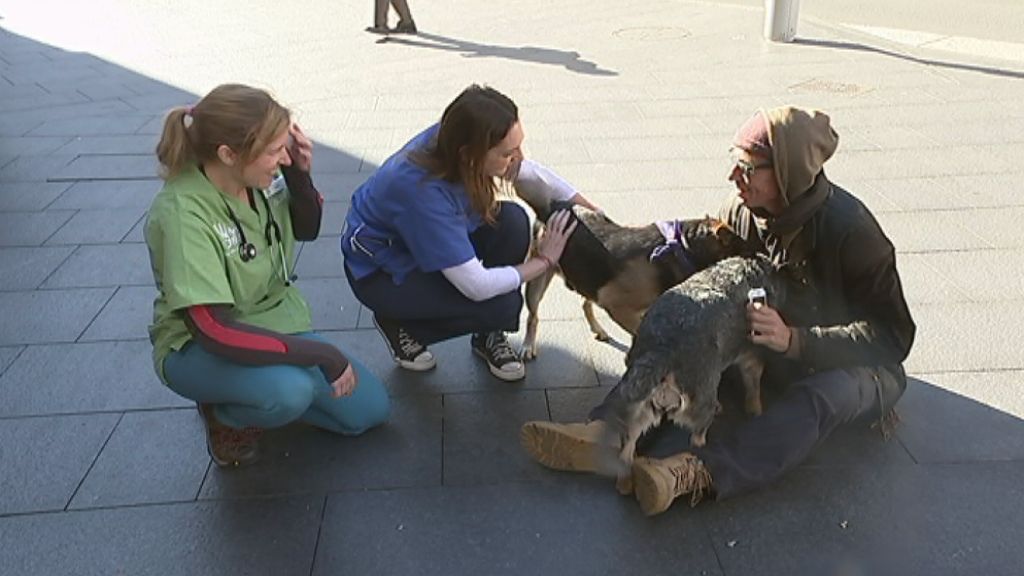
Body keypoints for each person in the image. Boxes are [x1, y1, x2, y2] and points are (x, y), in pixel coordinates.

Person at [520, 106, 916, 515]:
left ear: (786, 172)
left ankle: (693, 473)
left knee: (822, 398)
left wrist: (795, 339)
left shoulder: (853, 232)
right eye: (735, 163)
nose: (734, 177)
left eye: (747, 167)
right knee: (691, 344)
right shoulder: (742, 213)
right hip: (762, 350)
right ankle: (608, 429)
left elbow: (893, 337)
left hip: (854, 364)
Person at [145, 84, 390, 468]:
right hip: (198, 344)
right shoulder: (182, 214)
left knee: (370, 410)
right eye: (274, 151)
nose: (283, 158)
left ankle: (258, 392)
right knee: (289, 391)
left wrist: (300, 177)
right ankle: (224, 417)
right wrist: (323, 355)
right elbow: (213, 329)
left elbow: (306, 229)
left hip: (273, 321)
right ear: (228, 154)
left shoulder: (261, 180)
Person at [341, 84, 597, 382]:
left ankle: (487, 338)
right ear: (470, 154)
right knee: (501, 305)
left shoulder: (458, 137)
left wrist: (593, 212)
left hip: (421, 238)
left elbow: (531, 173)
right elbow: (477, 285)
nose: (519, 157)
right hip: (384, 273)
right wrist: (545, 261)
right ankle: (399, 323)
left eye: (519, 145)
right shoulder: (422, 193)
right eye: (508, 153)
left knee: (512, 222)